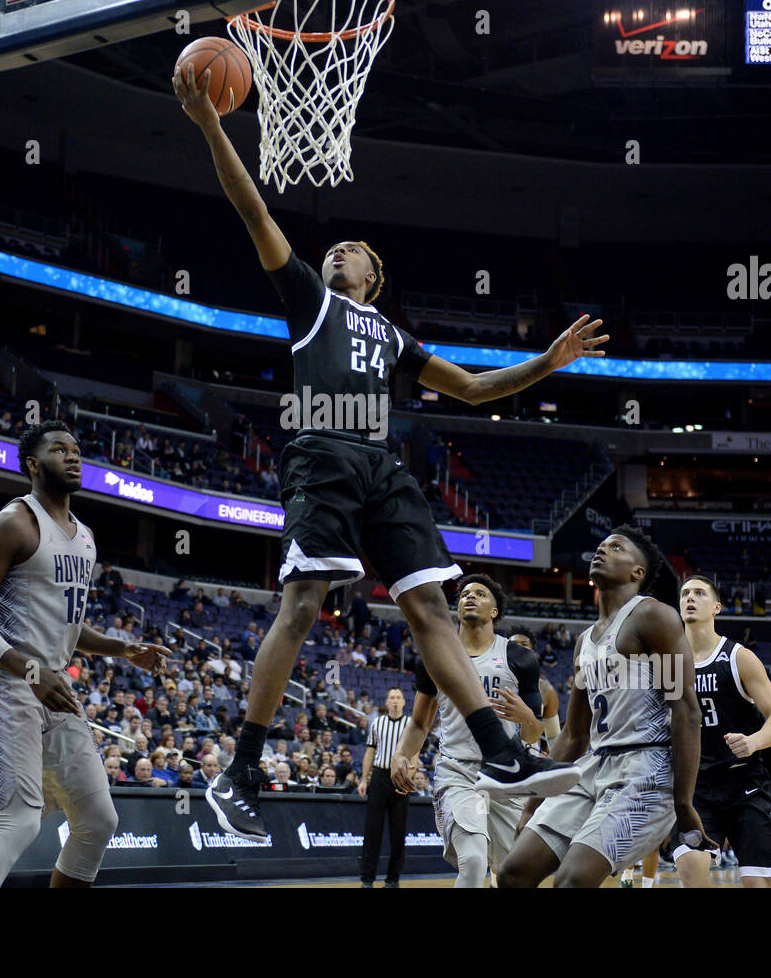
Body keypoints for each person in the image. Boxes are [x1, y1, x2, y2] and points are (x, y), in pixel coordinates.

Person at [176, 68, 600, 843]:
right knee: (303, 603)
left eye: (353, 250)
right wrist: (210, 121)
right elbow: (250, 207)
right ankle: (241, 766)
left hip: (381, 466)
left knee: (429, 605)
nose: (338, 250)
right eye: (334, 246)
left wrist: (545, 363)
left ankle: (502, 751)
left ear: (375, 278)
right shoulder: (310, 296)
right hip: (323, 453)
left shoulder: (395, 334)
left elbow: (471, 388)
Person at [0, 421, 169, 889]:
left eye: (76, 450)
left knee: (97, 819)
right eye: (58, 450)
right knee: (19, 823)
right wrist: (31, 670)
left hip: (50, 684)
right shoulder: (13, 523)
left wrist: (121, 648)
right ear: (33, 465)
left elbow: (65, 625)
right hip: (0, 682)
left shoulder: (85, 536)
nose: (73, 457)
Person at [497, 527, 711, 888]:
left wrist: (684, 804)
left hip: (645, 770)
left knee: (571, 881)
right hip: (594, 766)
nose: (602, 551)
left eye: (615, 547)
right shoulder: (584, 643)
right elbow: (574, 734)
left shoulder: (654, 617)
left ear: (637, 573)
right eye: (600, 546)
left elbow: (687, 712)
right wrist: (534, 803)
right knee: (513, 873)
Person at [393, 575, 544, 888]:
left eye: (480, 594)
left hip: (505, 775)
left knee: (512, 876)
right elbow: (421, 722)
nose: (469, 597)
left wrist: (526, 717)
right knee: (474, 861)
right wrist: (403, 754)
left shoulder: (520, 659)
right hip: (459, 772)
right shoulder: (437, 656)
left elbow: (534, 734)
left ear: (494, 612)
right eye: (464, 595)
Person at [663, 576, 771, 888]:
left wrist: (753, 741)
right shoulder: (668, 665)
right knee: (691, 868)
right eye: (684, 593)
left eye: (699, 593)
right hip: (695, 786)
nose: (690, 598)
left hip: (744, 781)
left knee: (756, 883)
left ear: (716, 607)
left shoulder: (738, 657)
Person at [354, 687, 411, 887]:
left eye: (398, 697)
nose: (395, 701)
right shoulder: (377, 723)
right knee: (372, 831)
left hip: (400, 778)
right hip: (379, 776)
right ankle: (367, 879)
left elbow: (415, 756)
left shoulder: (411, 724)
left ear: (404, 702)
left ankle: (393, 879)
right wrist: (363, 779)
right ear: (386, 702)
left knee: (398, 833)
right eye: (391, 698)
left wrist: (408, 779)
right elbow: (370, 753)